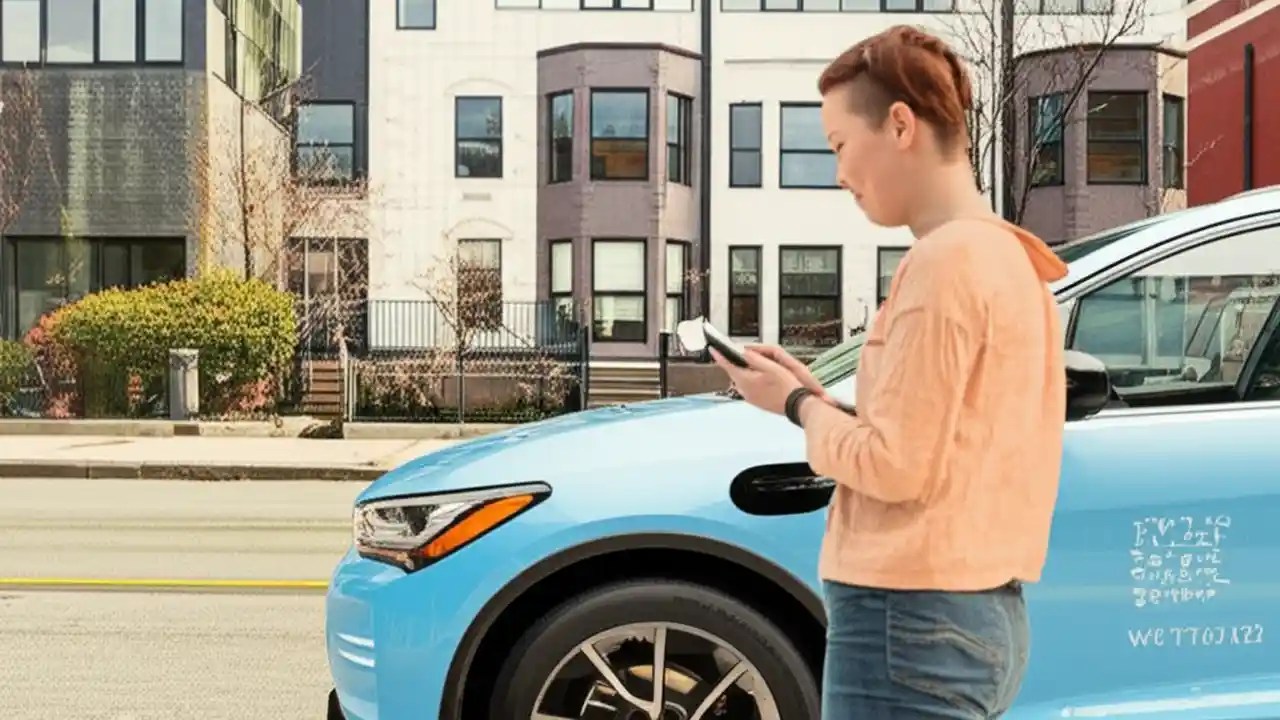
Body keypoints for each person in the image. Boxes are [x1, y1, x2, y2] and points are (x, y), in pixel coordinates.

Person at [710, 24, 1070, 719]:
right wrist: (815, 397)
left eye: (841, 145)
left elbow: (898, 469)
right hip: (979, 612)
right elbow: (945, 449)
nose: (840, 172)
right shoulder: (1011, 260)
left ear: (900, 124)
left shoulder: (941, 264)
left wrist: (797, 408)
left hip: (908, 619)